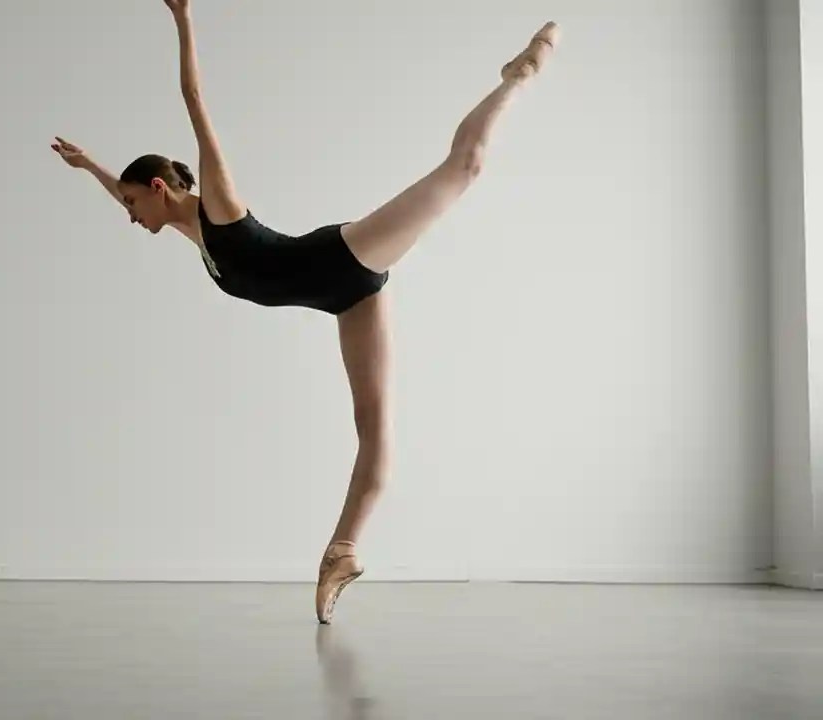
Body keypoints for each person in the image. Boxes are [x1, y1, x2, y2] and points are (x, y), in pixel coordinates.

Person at [52, 0, 559, 623]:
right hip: (344, 298)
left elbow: (194, 100)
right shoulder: (191, 234)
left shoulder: (218, 205)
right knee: (374, 429)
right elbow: (129, 197)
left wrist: (183, 19)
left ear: (162, 188)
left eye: (133, 202)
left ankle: (520, 73)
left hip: (341, 257)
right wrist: (91, 169)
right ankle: (343, 552)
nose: (129, 215)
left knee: (464, 168)